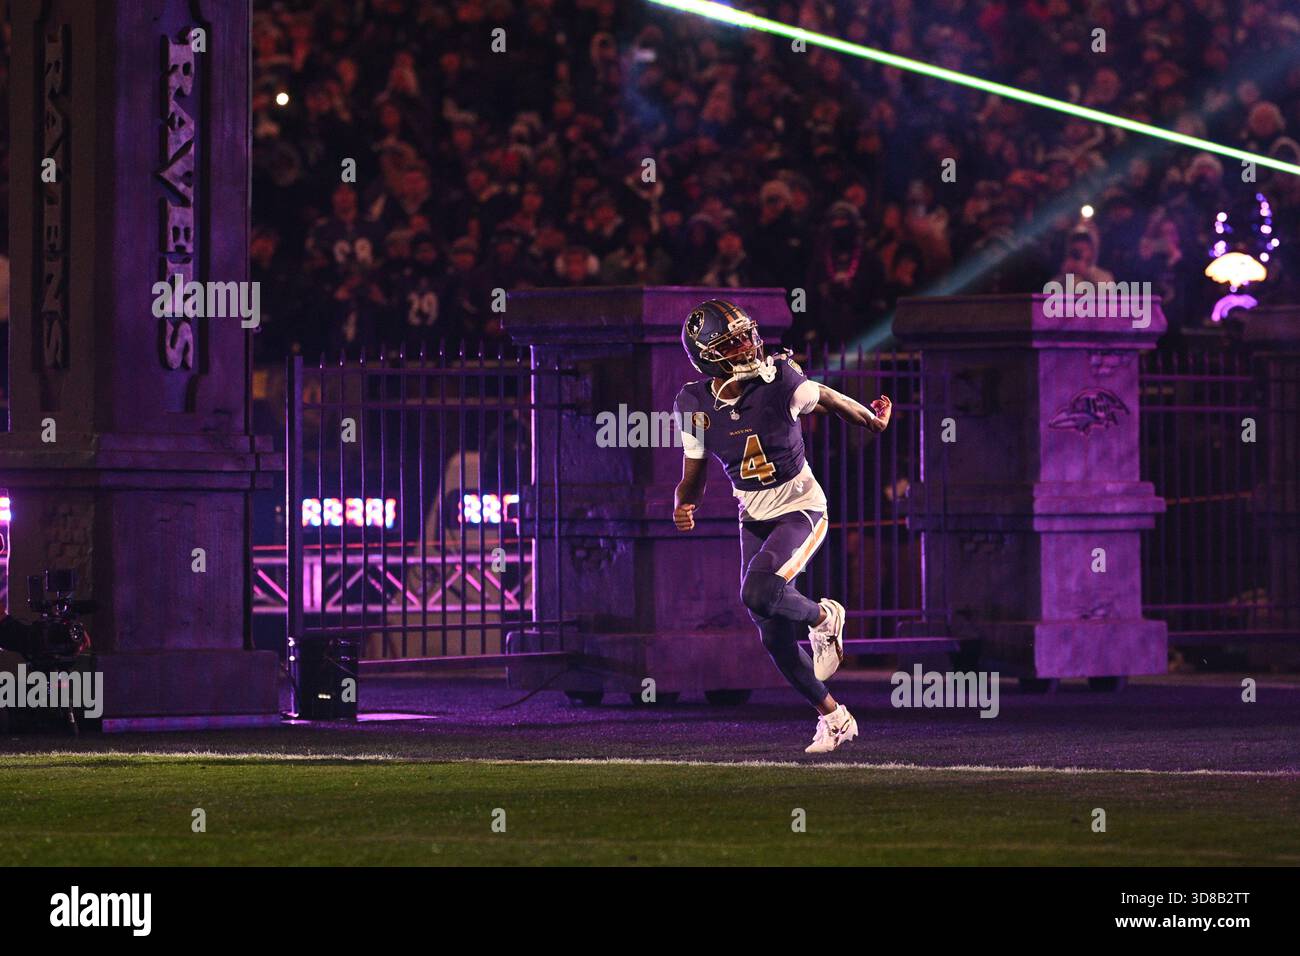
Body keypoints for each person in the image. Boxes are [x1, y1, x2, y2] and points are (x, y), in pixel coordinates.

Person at [671, 300, 892, 754]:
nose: (748, 345)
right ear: (707, 355)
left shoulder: (780, 381)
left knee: (756, 592)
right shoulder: (693, 402)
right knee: (770, 632)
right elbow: (693, 470)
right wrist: (684, 504)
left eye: (746, 335)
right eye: (732, 343)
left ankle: (823, 616)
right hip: (752, 514)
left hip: (801, 507)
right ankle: (834, 717)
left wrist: (871, 421)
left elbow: (826, 397)